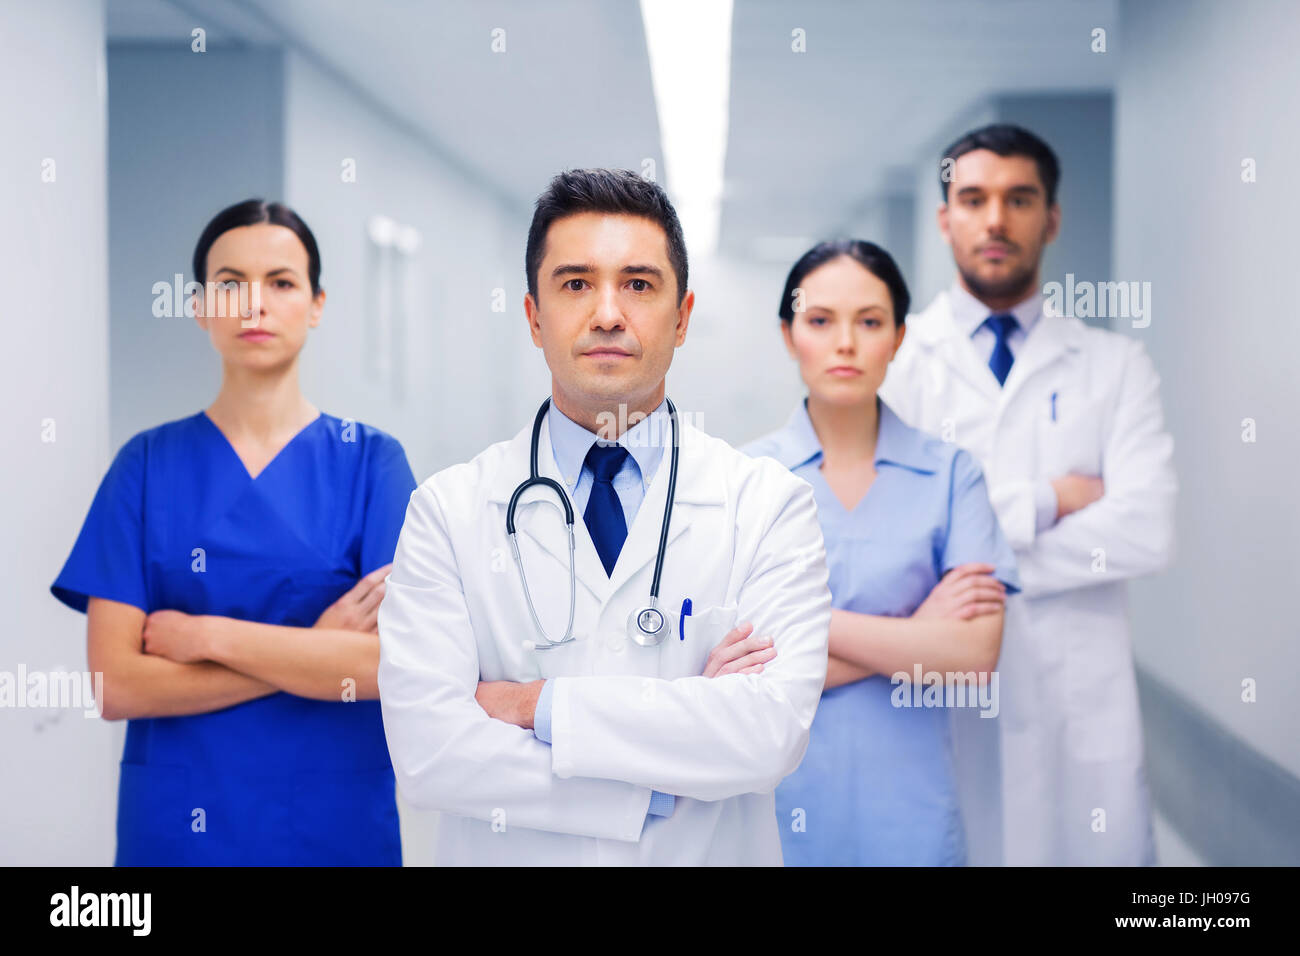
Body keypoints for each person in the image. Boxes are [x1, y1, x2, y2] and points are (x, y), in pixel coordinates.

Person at [376, 168, 832, 866]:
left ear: (682, 319)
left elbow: (768, 734)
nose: (609, 313)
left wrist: (536, 707)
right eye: (576, 283)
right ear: (534, 316)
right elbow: (431, 752)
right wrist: (651, 780)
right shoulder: (449, 510)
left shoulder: (766, 504)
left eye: (639, 284)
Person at [51, 199, 416, 865]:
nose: (255, 304)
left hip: (330, 827)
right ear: (199, 307)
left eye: (281, 282)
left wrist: (204, 638)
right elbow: (116, 685)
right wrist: (312, 649)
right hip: (180, 831)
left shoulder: (371, 463)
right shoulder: (146, 465)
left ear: (317, 304)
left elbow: (387, 666)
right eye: (230, 284)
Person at [878, 124, 1177, 866]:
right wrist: (1049, 500)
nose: (995, 220)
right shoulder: (894, 359)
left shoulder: (1115, 365)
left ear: (1051, 218)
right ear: (945, 219)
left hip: (1080, 705)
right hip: (941, 704)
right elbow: (891, 540)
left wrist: (968, 555)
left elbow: (1147, 529)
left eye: (1019, 199)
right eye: (973, 199)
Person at [743, 240, 1019, 865]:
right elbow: (735, 675)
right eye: (820, 321)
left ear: (898, 338)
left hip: (912, 814)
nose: (846, 343)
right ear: (789, 335)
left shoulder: (952, 474)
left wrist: (801, 633)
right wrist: (919, 632)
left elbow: (974, 655)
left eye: (869, 322)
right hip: (776, 815)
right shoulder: (744, 478)